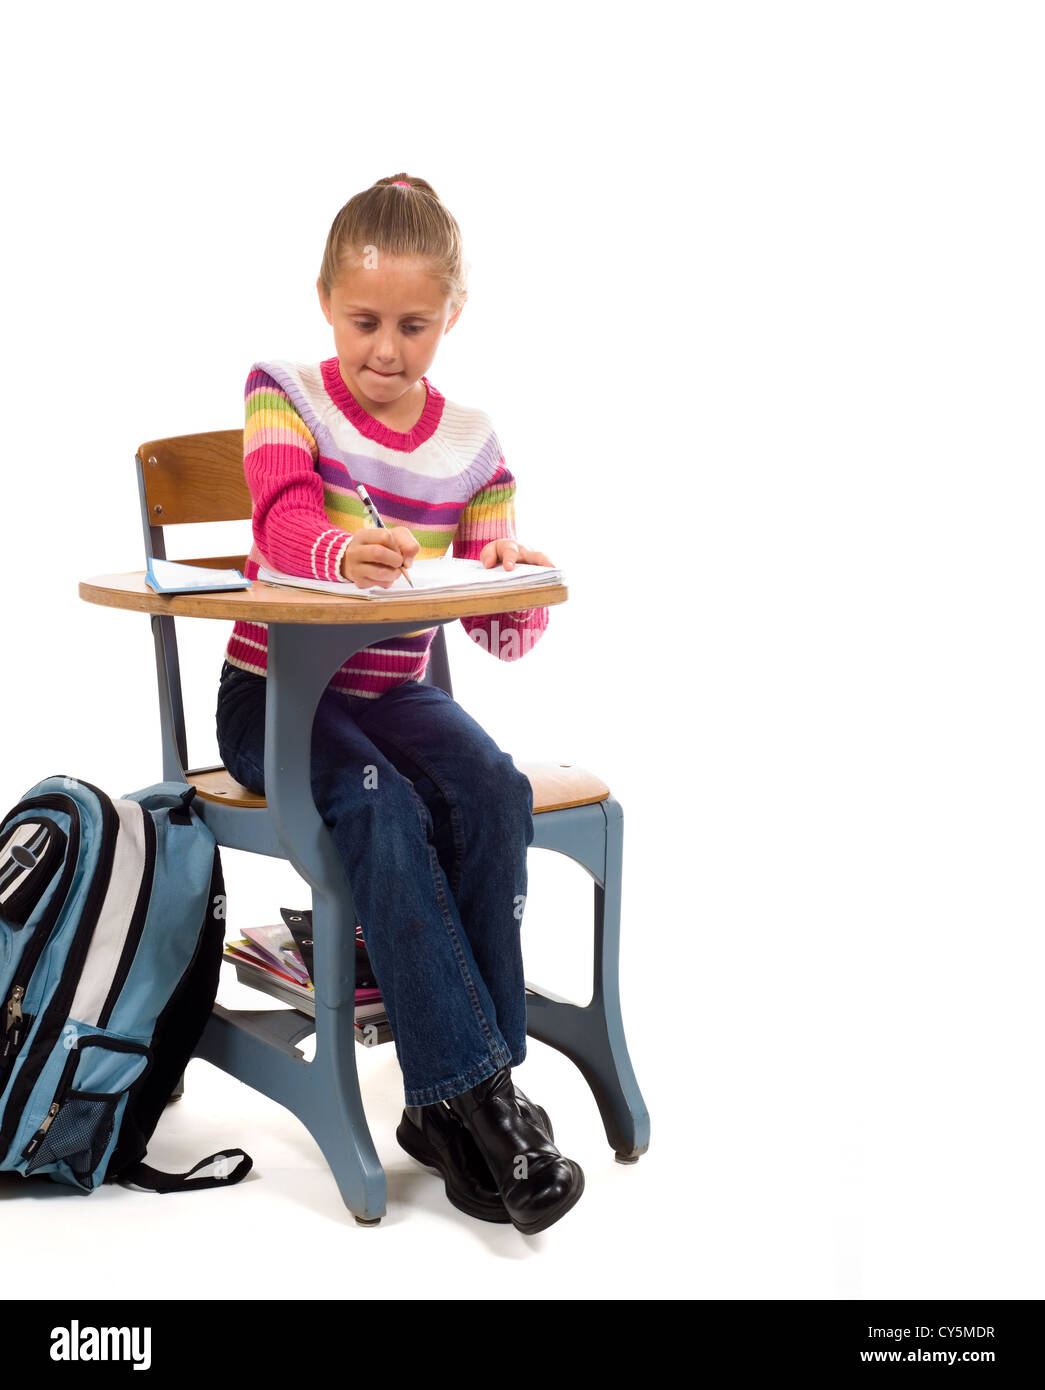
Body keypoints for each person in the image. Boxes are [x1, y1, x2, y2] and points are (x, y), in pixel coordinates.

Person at [214, 173, 583, 1235]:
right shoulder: (282, 387)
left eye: (413, 325)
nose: (386, 349)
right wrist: (339, 551)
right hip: (277, 704)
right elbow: (282, 522)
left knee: (490, 788)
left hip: (394, 697)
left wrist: (514, 573)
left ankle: (451, 1109)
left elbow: (497, 621)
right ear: (325, 301)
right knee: (383, 806)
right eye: (363, 320)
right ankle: (485, 1103)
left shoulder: (471, 442)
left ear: (450, 315)